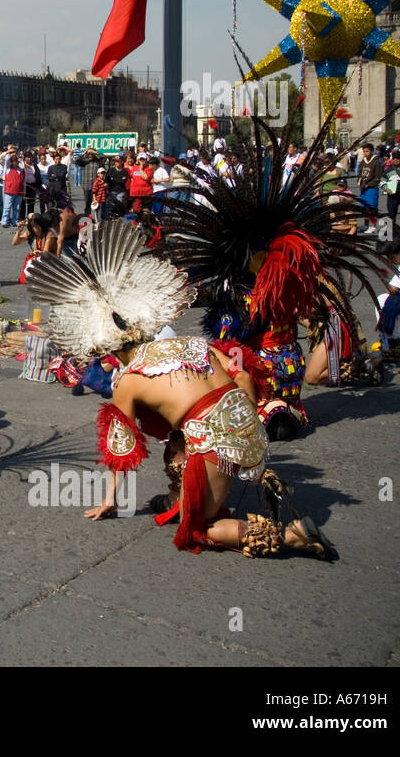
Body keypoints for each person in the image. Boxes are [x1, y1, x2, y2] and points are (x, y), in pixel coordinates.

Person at [27, 220, 336, 560]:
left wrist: (110, 500)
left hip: (212, 445)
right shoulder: (193, 344)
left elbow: (121, 452)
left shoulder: (128, 381)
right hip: (251, 433)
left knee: (200, 529)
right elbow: (246, 379)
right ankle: (184, 495)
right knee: (178, 435)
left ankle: (290, 536)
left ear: (111, 352)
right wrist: (248, 435)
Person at [358, 142, 382, 234]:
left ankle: (373, 226)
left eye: (367, 151)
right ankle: (366, 225)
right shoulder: (363, 161)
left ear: (371, 151)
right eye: (364, 151)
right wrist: (359, 180)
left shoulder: (376, 162)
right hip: (363, 188)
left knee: (372, 207)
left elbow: (378, 178)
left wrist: (368, 184)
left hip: (372, 188)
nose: (365, 153)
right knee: (364, 208)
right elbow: (360, 173)